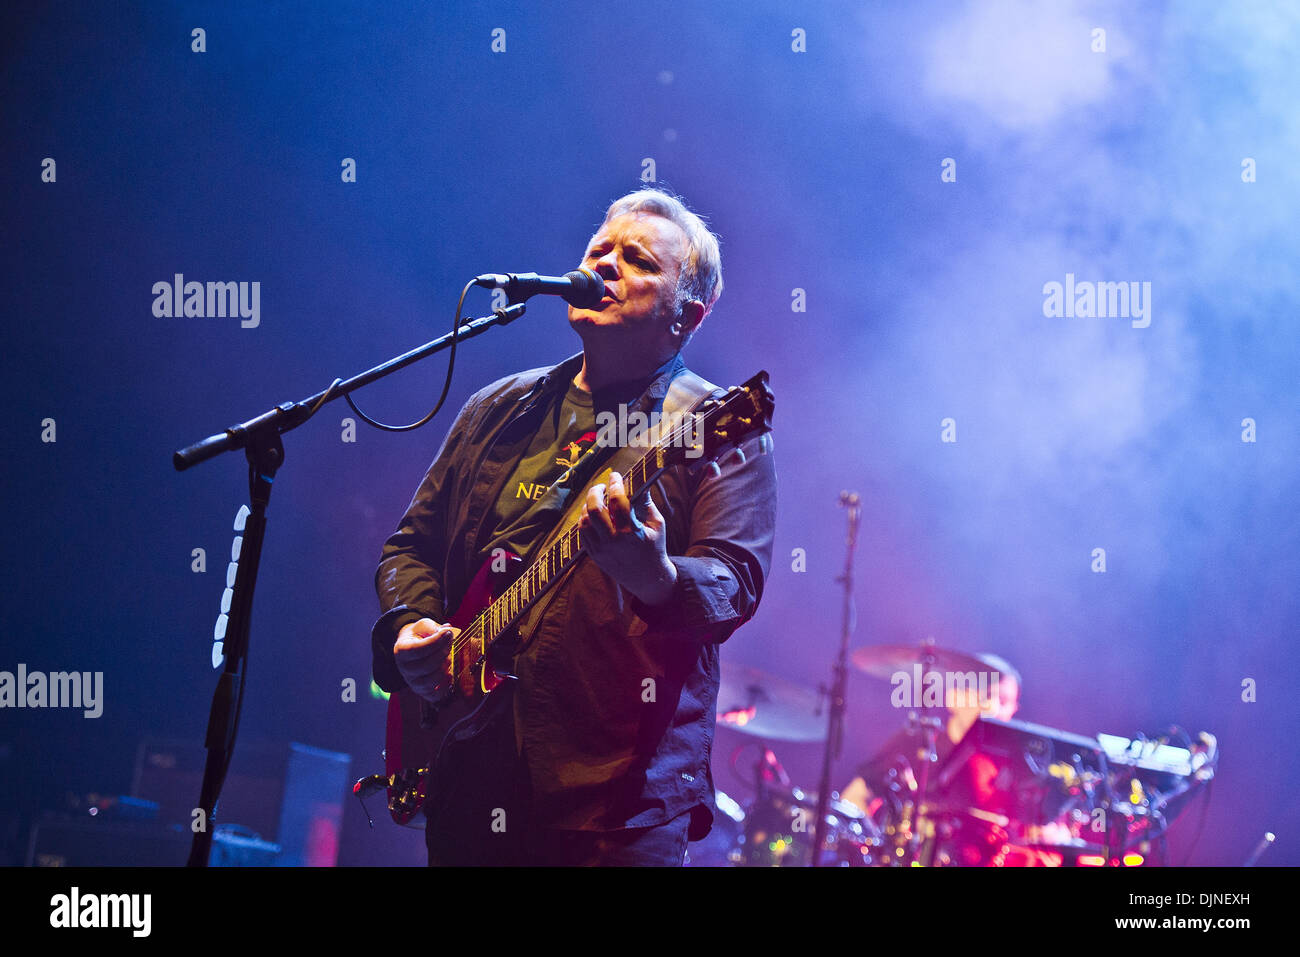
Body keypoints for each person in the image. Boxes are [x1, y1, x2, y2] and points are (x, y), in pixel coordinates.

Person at [369, 187, 777, 865]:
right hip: (470, 772)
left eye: (638, 259)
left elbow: (736, 581)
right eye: (599, 251)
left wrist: (656, 575)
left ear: (688, 317)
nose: (607, 264)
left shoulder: (713, 423)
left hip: (616, 796)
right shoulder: (495, 407)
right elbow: (410, 546)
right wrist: (411, 621)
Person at [840, 653, 1021, 819]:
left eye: (1003, 702)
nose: (992, 708)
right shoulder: (917, 743)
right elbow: (856, 796)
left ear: (1014, 710)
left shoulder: (1017, 769)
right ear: (954, 697)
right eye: (986, 696)